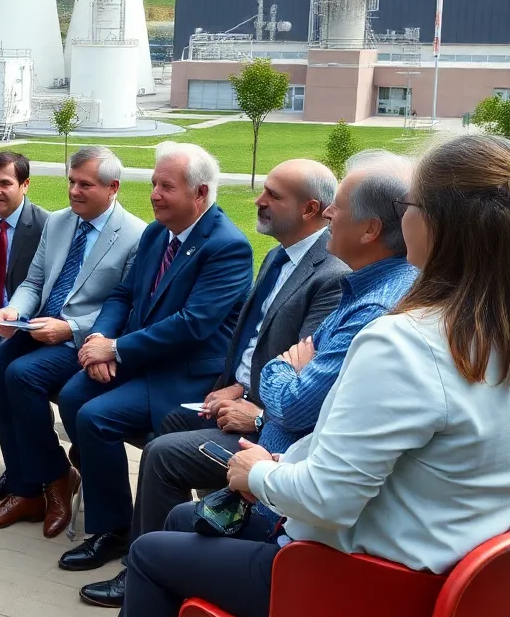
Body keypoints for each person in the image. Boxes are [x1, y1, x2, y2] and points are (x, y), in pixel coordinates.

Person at [121, 135, 510, 617]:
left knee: (149, 554)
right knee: (183, 517)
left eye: (410, 204)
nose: (328, 215)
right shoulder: (483, 327)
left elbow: (328, 498)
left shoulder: (401, 339)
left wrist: (259, 471)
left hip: (356, 578)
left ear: (435, 223)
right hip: (449, 568)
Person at [86, 156, 418, 607]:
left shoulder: (351, 290)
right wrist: (244, 385)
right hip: (262, 432)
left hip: (279, 453)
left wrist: (265, 397)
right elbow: (268, 347)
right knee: (167, 433)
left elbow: (300, 400)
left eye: (274, 195)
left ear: (368, 228)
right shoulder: (290, 259)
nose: (257, 200)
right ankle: (198, 534)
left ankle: (158, 560)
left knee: (158, 455)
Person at [57, 141, 253, 573]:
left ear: (200, 194)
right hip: (136, 359)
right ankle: (112, 502)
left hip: (180, 375)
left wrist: (118, 349)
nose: (154, 195)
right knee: (72, 396)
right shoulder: (156, 232)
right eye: (153, 184)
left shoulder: (227, 246)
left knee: (95, 419)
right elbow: (123, 293)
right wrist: (103, 338)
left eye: (167, 186)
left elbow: (192, 324)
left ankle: (117, 531)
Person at [0, 146, 145, 537]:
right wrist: (14, 311)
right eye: (71, 181)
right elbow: (33, 282)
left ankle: (52, 480)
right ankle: (29, 483)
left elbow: (128, 308)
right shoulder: (60, 222)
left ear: (113, 187)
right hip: (38, 326)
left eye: (86, 184)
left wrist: (71, 329)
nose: (74, 191)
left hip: (82, 339)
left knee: (22, 375)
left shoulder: (136, 235)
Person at [0, 152, 50, 502]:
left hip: (28, 330)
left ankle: (40, 473)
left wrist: (17, 316)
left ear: (25, 184)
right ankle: (18, 469)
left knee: (17, 391)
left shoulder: (48, 226)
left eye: (5, 183)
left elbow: (51, 285)